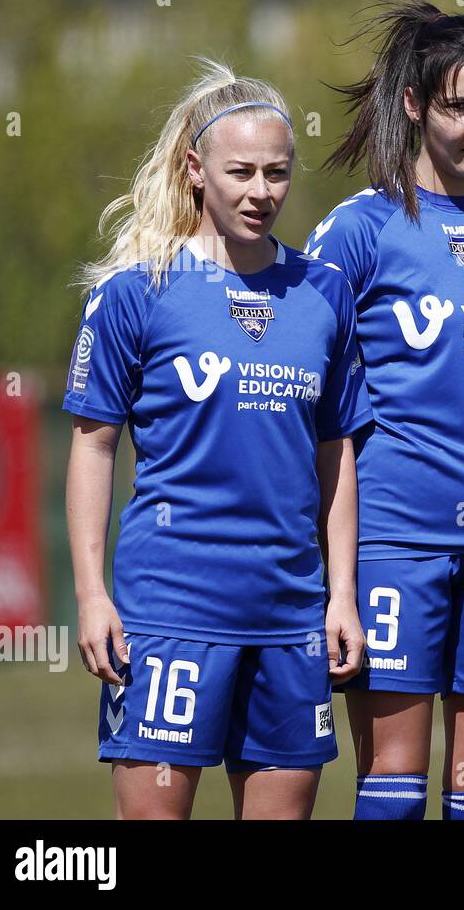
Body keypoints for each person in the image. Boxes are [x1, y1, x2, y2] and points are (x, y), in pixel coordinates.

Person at [64, 60, 371, 819]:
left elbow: (337, 455)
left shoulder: (324, 291)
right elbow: (93, 445)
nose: (261, 191)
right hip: (169, 607)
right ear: (197, 169)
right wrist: (92, 592)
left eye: (277, 173)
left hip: (290, 613)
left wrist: (342, 597)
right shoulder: (136, 292)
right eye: (241, 171)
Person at [306, 0, 464, 821]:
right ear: (416, 106)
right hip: (394, 539)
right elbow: (311, 401)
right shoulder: (358, 231)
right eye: (459, 106)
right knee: (392, 791)